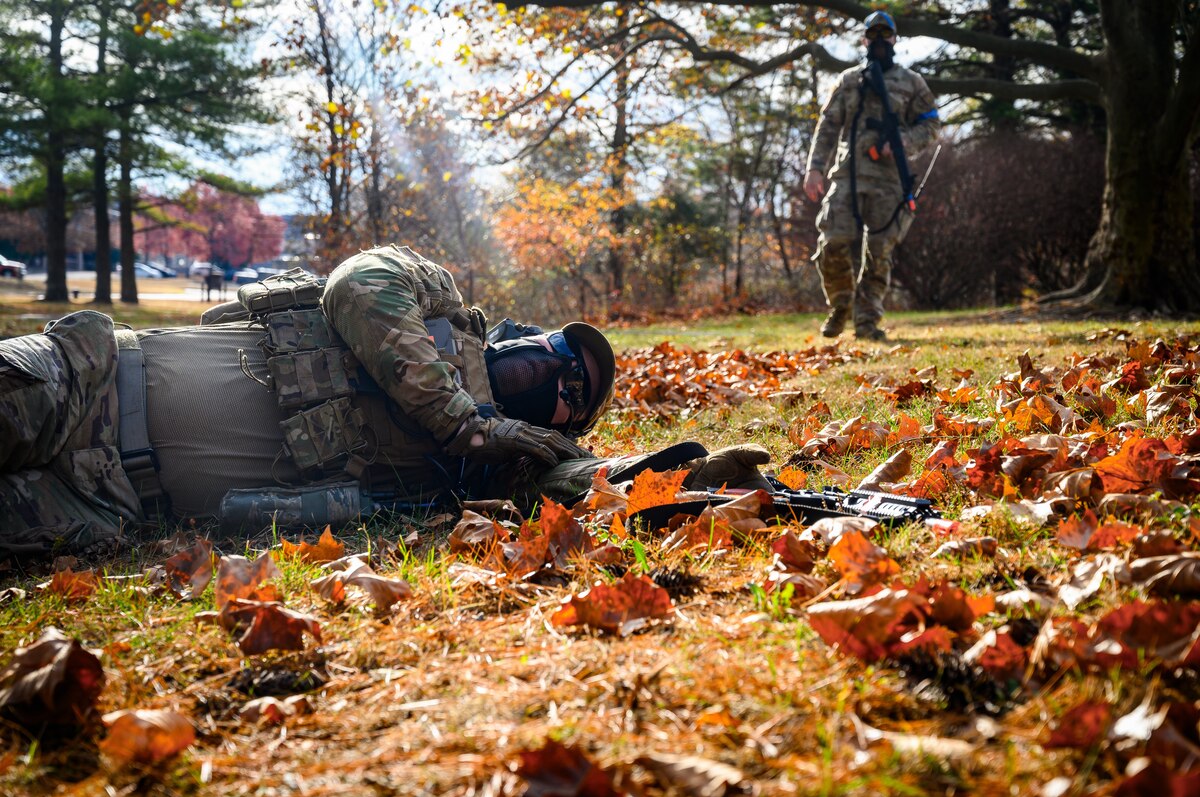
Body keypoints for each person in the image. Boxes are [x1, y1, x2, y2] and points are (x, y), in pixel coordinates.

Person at [0, 245, 769, 559]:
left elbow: (580, 485)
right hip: (86, 379)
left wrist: (679, 485)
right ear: (526, 336)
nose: (563, 385)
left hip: (105, 502)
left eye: (575, 400)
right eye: (566, 359)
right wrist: (463, 419)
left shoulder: (491, 467)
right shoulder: (435, 296)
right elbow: (357, 285)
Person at [802, 10, 940, 342]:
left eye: (886, 35)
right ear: (865, 40)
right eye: (873, 35)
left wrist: (903, 142)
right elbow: (828, 127)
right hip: (848, 176)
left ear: (895, 39)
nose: (880, 41)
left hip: (891, 181)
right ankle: (841, 305)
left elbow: (932, 124)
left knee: (879, 253)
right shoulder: (849, 80)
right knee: (833, 242)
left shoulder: (912, 82)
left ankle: (867, 321)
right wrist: (814, 169)